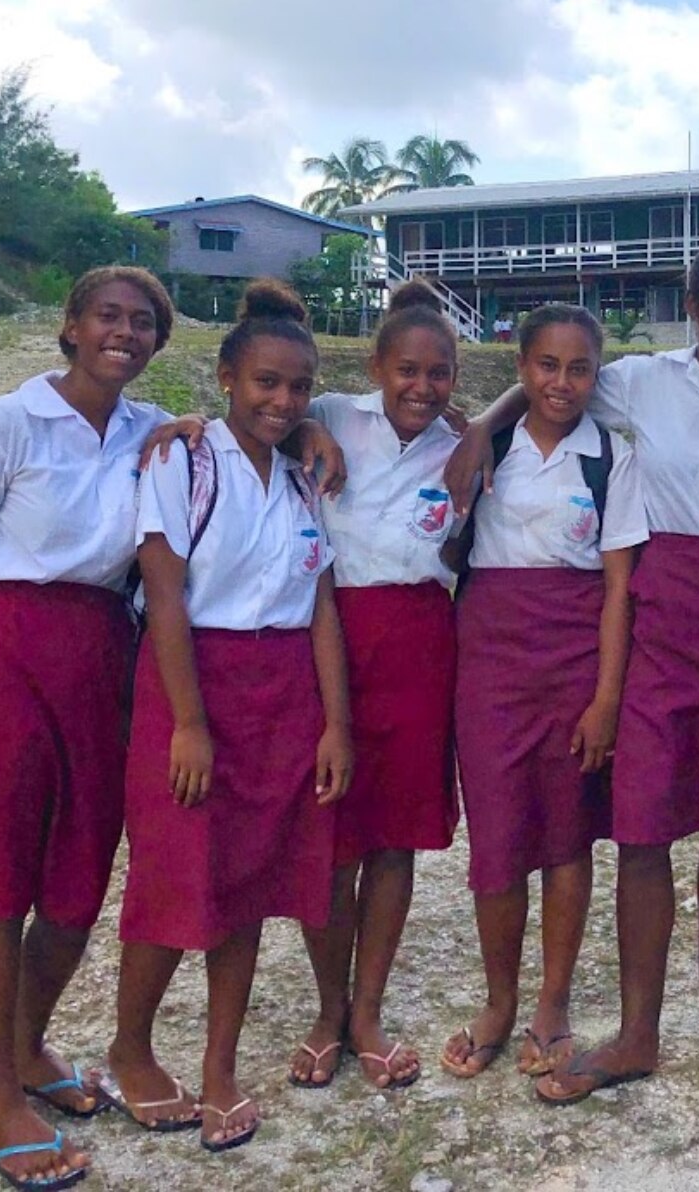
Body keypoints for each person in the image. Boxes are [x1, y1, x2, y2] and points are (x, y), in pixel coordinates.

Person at [448, 218, 699, 1104]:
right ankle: (639, 1031)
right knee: (644, 828)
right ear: (692, 305)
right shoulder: (642, 382)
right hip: (662, 622)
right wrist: (482, 426)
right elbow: (550, 385)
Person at [0, 266, 176, 1191]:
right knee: (2, 880)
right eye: (107, 315)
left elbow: (259, 438)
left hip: (100, 659)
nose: (123, 333)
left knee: (76, 884)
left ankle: (25, 1049)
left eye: (142, 322)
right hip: (5, 654)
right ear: (69, 325)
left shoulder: (154, 436)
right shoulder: (5, 424)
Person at [109, 280, 353, 1155]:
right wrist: (187, 722)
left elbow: (320, 601)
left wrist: (334, 723)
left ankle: (219, 1067)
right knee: (177, 875)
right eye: (264, 384)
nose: (282, 402)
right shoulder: (182, 462)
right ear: (224, 380)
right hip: (195, 686)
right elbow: (166, 596)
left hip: (283, 694)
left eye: (298, 388)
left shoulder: (302, 480)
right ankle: (129, 1047)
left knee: (246, 885)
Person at [442, 302, 648, 1082]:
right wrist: (477, 434)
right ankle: (499, 1000)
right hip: (490, 660)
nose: (562, 382)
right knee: (497, 840)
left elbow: (620, 590)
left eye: (579, 367)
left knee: (566, 836)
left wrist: (605, 699)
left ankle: (552, 1002)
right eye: (546, 365)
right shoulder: (486, 445)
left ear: (598, 375)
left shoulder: (610, 459)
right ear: (521, 368)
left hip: (573, 658)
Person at [285, 281, 464, 1092]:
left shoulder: (461, 446)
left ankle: (368, 1009)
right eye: (407, 370)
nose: (421, 388)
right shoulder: (328, 414)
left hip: (421, 648)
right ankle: (326, 1008)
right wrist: (311, 424)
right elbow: (257, 420)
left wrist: (481, 425)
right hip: (329, 640)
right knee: (330, 835)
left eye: (439, 374)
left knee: (393, 836)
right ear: (376, 367)